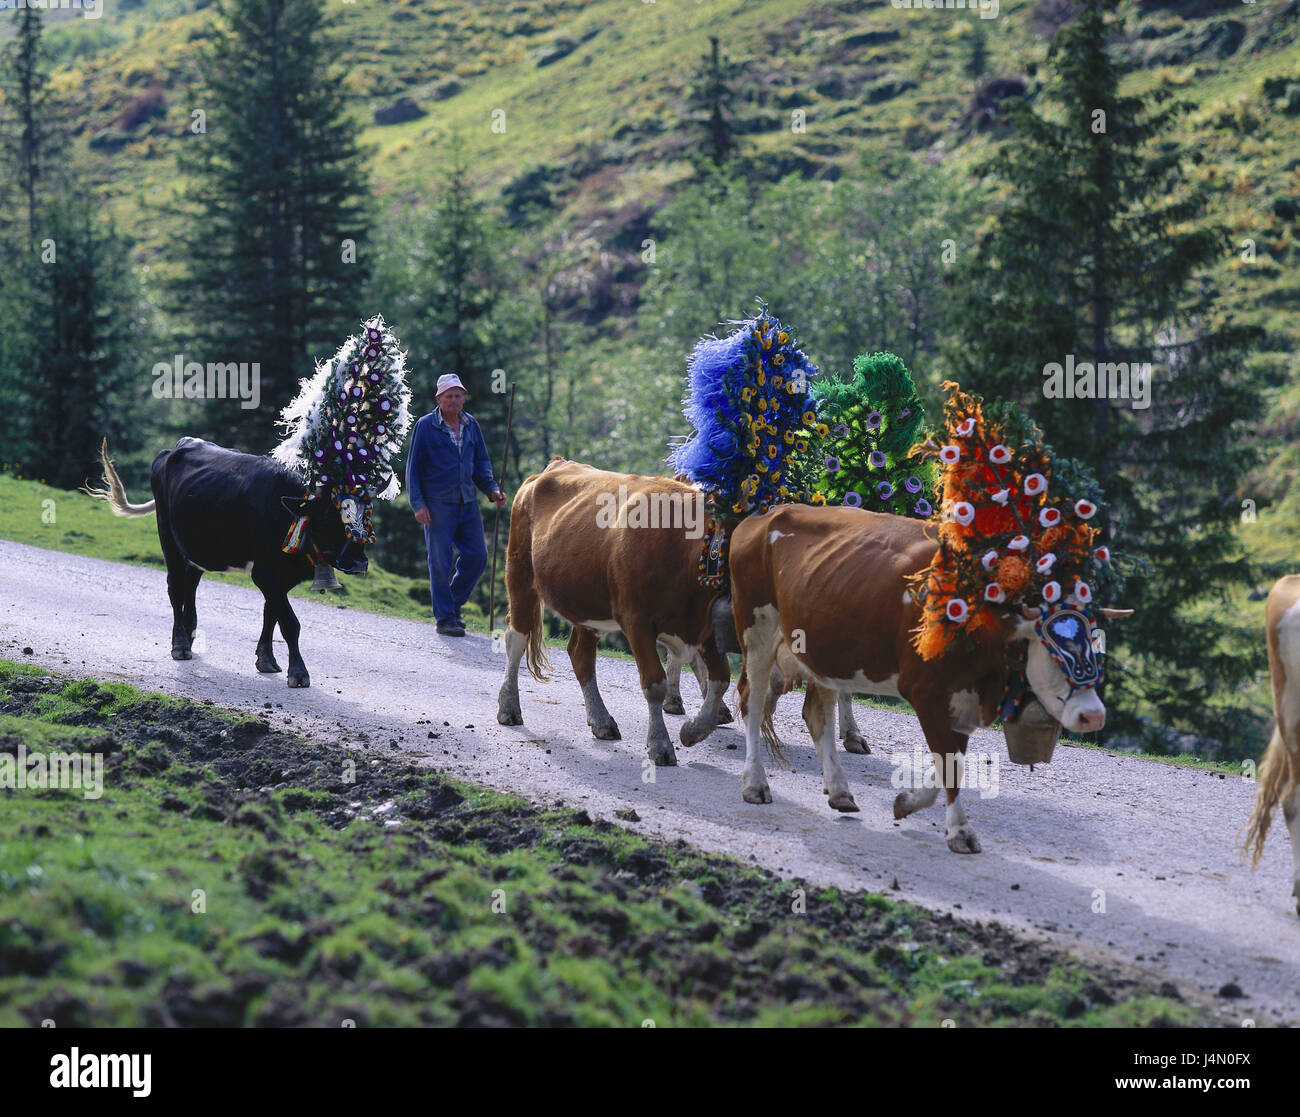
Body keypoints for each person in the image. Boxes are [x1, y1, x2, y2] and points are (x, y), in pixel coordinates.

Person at [405, 374, 506, 636]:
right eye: (448, 395)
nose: (454, 400)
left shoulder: (471, 424)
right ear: (438, 399)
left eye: (458, 395)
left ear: (464, 398)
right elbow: (413, 468)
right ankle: (445, 619)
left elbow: (481, 462)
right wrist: (417, 504)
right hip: (437, 505)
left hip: (467, 503)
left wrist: (492, 489)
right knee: (440, 562)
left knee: (477, 556)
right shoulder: (426, 426)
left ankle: (452, 604)